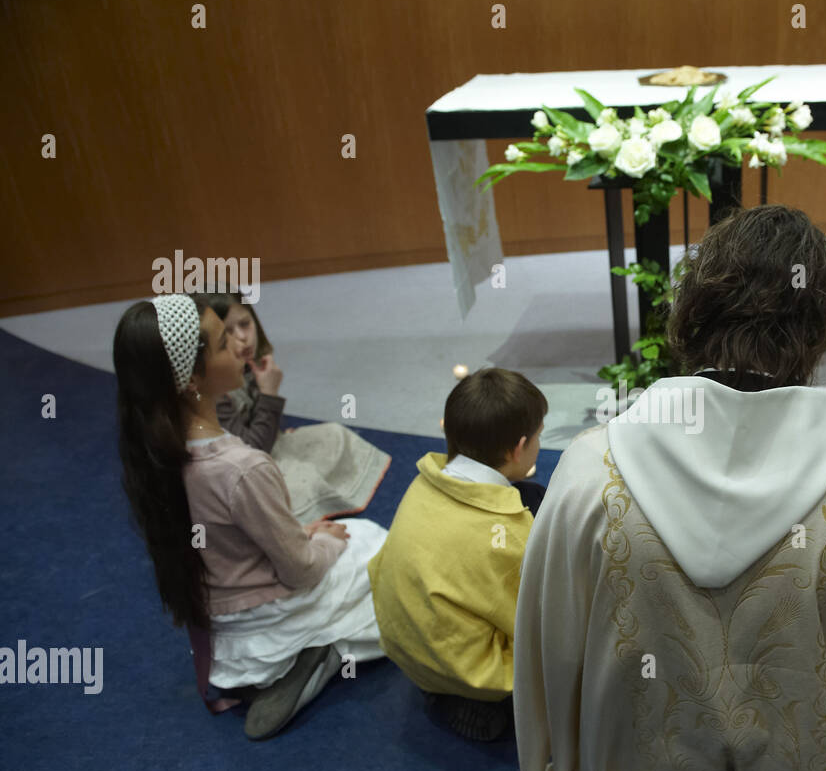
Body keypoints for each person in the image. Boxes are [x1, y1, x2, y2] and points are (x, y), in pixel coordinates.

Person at [512, 204, 826, 771]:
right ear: (825, 330)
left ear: (687, 316)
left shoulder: (588, 475)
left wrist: (552, 761)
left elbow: (546, 637)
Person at [113, 293, 388, 740]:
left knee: (338, 537)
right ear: (190, 379)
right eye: (224, 343)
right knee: (378, 546)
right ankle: (317, 655)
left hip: (226, 628)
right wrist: (324, 542)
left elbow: (233, 540)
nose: (240, 347)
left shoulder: (154, 454)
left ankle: (300, 655)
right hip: (271, 617)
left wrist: (302, 533)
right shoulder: (242, 468)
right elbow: (300, 571)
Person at [368, 368, 547, 742]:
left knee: (530, 494)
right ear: (518, 448)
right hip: (473, 672)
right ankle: (481, 702)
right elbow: (537, 621)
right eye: (538, 437)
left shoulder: (422, 483)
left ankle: (439, 684)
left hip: (406, 647)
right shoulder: (509, 535)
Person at [207, 290, 391, 524]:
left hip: (268, 448)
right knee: (301, 485)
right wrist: (269, 394)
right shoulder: (217, 391)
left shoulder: (249, 364)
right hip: (245, 471)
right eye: (227, 333)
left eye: (245, 324)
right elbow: (249, 453)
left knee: (334, 434)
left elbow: (267, 432)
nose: (242, 337)